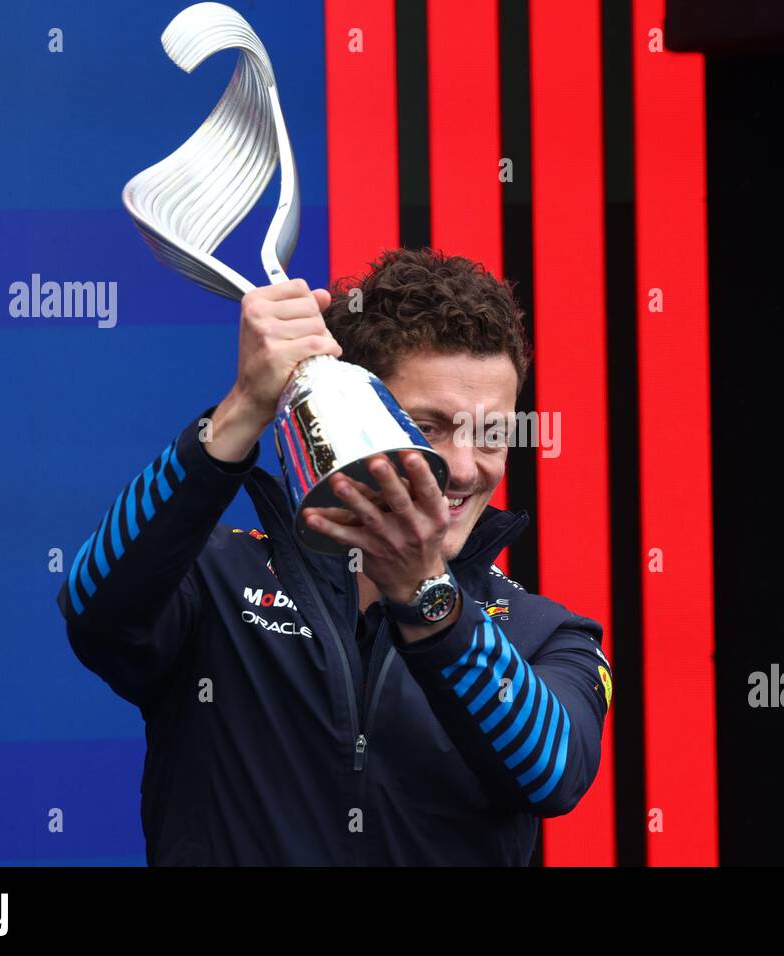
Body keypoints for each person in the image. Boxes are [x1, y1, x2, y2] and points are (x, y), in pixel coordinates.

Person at [55, 247, 613, 865]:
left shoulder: (548, 633)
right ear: (353, 413)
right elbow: (91, 605)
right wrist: (242, 408)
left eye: (490, 434)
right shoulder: (217, 580)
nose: (462, 468)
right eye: (427, 427)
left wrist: (427, 598)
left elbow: (551, 774)